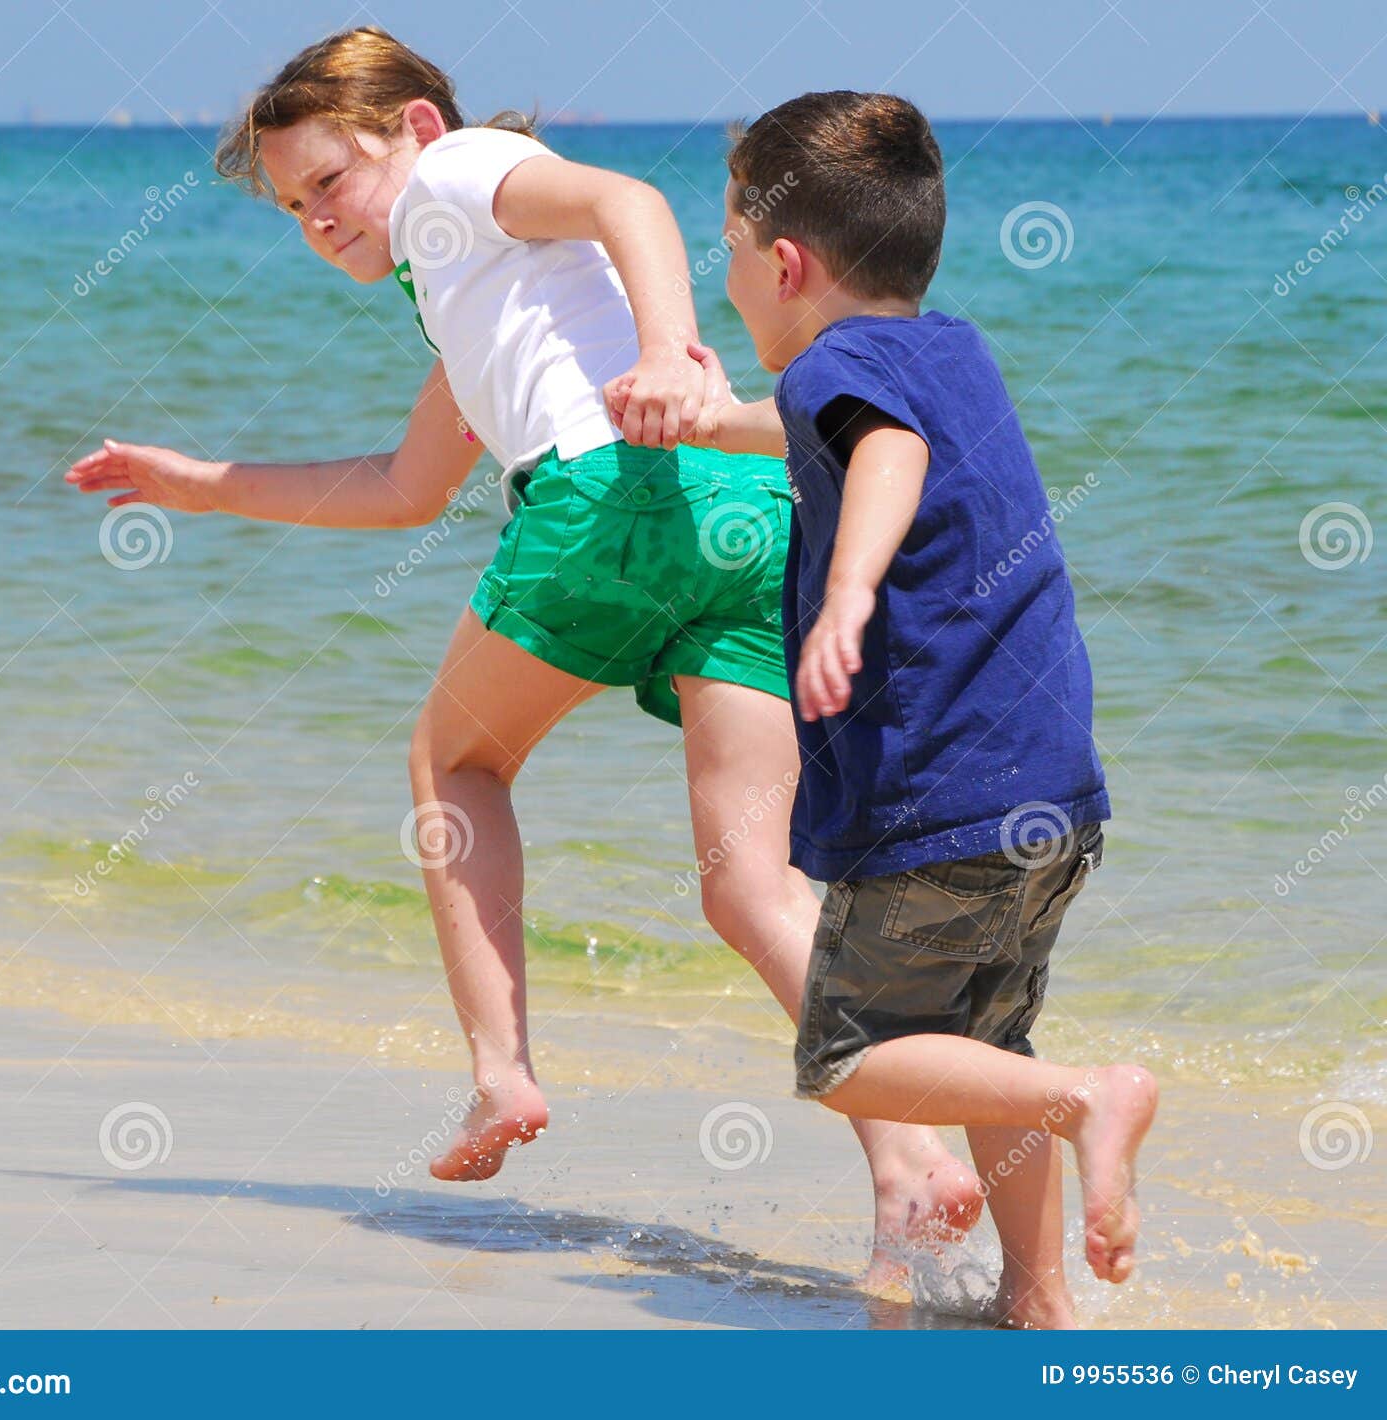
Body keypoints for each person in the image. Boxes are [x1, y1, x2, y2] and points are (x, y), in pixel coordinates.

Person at [65, 28, 982, 1278]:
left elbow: (631, 199)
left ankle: (501, 1074)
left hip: (605, 499)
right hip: (739, 512)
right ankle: (910, 1155)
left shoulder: (462, 176)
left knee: (454, 761)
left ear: (419, 132)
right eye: (292, 205)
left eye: (330, 181)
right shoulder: (472, 295)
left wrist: (665, 349)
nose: (315, 219)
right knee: (749, 885)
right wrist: (203, 486)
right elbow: (398, 488)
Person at [665, 90, 1157, 1327]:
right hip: (1046, 791)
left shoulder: (840, 372)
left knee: (842, 1058)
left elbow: (878, 452)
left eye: (724, 252)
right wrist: (695, 421)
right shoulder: (949, 349)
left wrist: (845, 595)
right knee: (994, 1053)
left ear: (784, 262)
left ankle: (1092, 1099)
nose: (726, 279)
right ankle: (1036, 1300)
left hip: (935, 797)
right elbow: (823, 434)